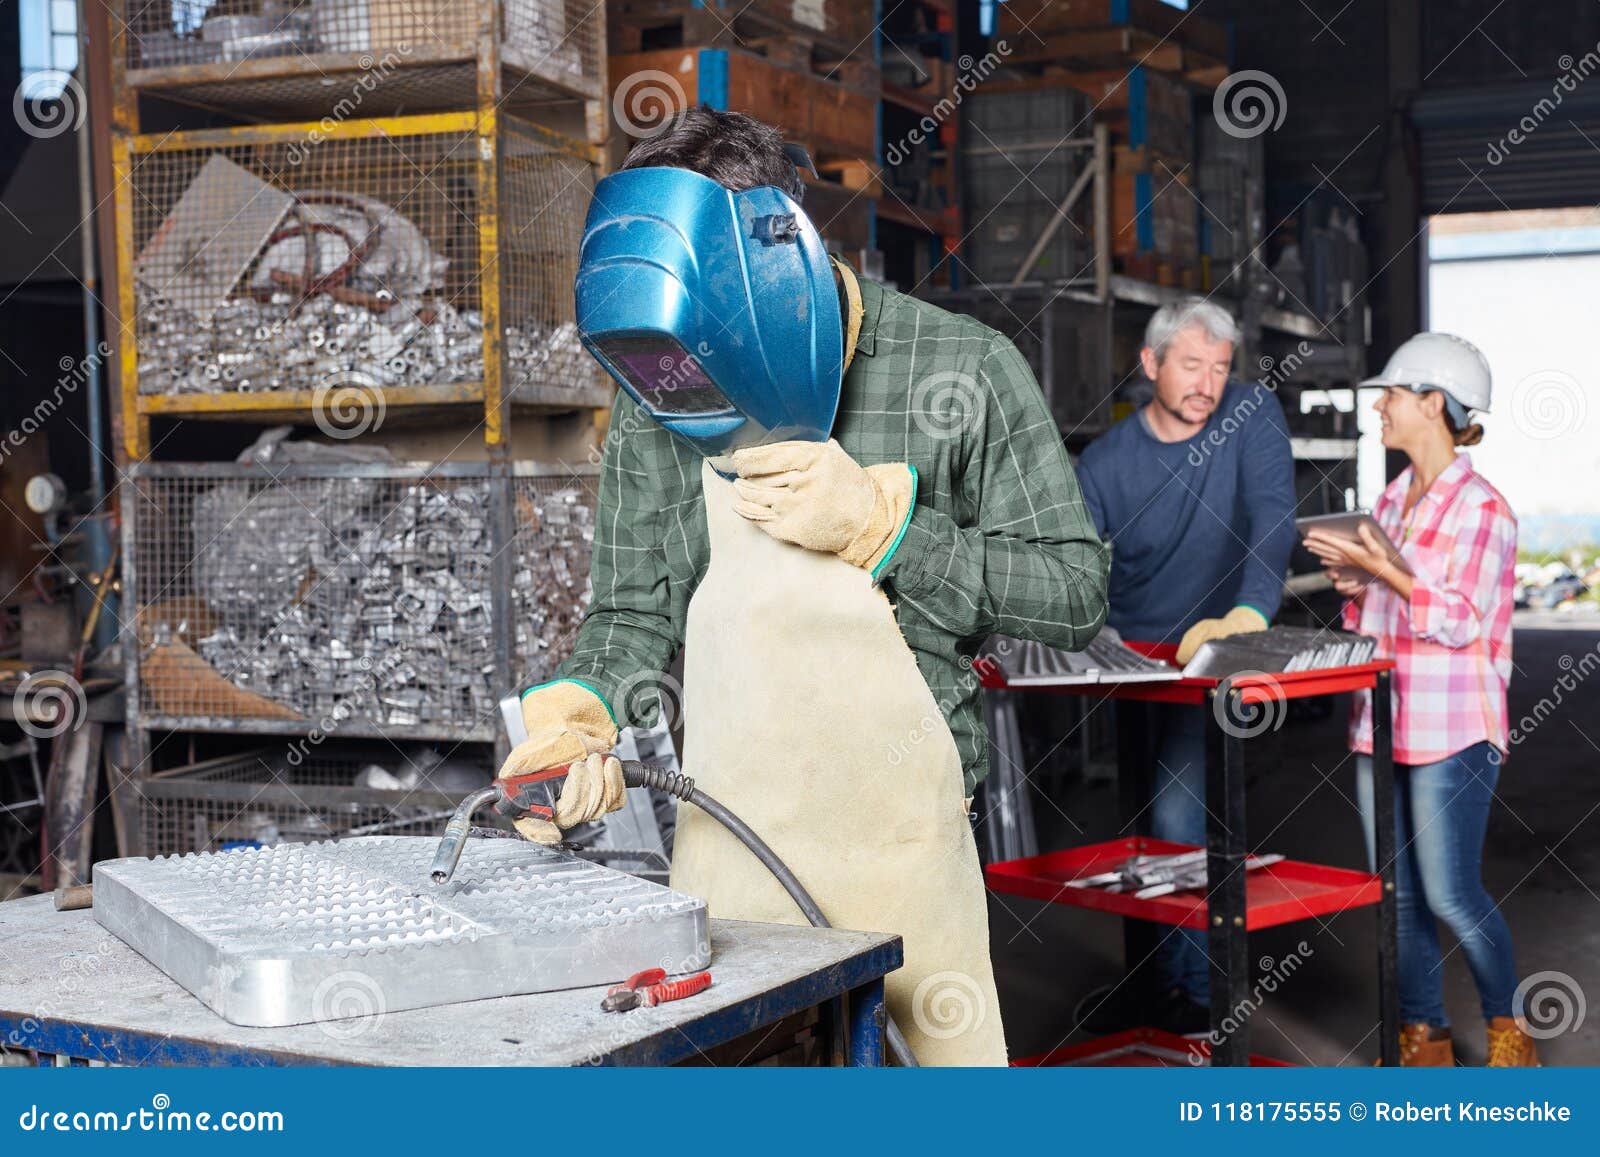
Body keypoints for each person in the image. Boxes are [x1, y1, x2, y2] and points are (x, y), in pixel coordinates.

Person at [497, 107, 1111, 1065]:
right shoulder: (664, 384)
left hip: (905, 857)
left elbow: (1074, 593)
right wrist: (579, 710)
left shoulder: (962, 367)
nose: (698, 399)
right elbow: (630, 614)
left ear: (779, 259)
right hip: (729, 854)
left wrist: (885, 528)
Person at [1303, 332, 1534, 1066]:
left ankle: (1509, 1033)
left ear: (1432, 404)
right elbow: (1379, 621)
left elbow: (1459, 618)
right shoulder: (1391, 500)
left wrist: (1388, 572)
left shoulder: (1485, 510)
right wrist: (1358, 583)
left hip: (1452, 729)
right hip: (1384, 720)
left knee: (1450, 894)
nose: (1382, 408)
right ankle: (1424, 1038)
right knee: (1395, 892)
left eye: (1392, 396)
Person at [1074, 298, 1296, 1031]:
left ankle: (1199, 1001)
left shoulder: (1249, 416)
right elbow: (1072, 567)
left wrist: (1250, 616)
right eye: (1191, 365)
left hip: (1210, 660)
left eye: (1220, 367)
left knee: (1175, 815)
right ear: (1150, 364)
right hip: (1132, 662)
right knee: (1141, 827)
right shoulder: (1104, 466)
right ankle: (1157, 985)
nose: (1208, 383)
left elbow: (1273, 517)